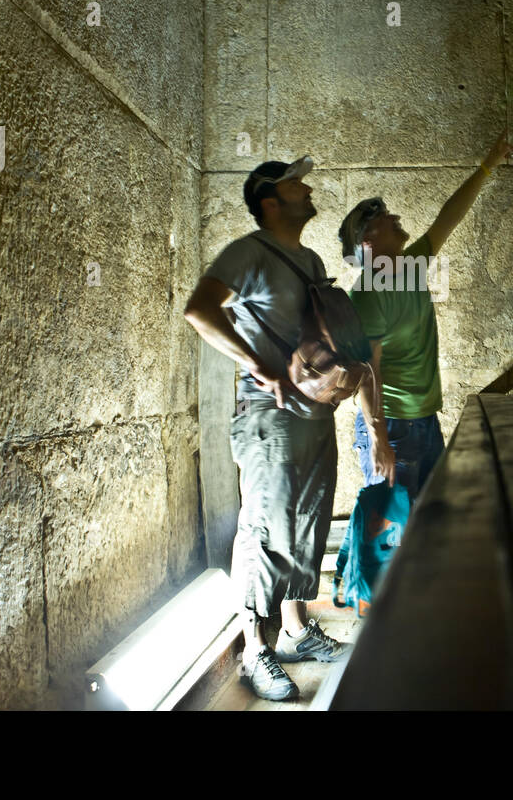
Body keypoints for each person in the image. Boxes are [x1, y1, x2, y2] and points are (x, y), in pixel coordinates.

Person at [182, 155, 354, 701]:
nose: (308, 189)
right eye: (295, 184)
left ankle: (298, 631)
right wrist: (255, 363)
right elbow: (200, 310)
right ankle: (257, 650)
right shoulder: (247, 253)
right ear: (270, 202)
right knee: (263, 528)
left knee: (306, 521)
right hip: (268, 416)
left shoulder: (311, 256)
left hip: (313, 410)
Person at [333, 131, 513, 616]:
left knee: (422, 524)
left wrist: (488, 163)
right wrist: (377, 437)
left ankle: (417, 618)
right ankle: (378, 627)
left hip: (422, 422)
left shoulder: (409, 266)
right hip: (390, 427)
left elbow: (447, 218)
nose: (397, 218)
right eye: (387, 218)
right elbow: (370, 369)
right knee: (387, 532)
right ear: (369, 241)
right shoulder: (368, 291)